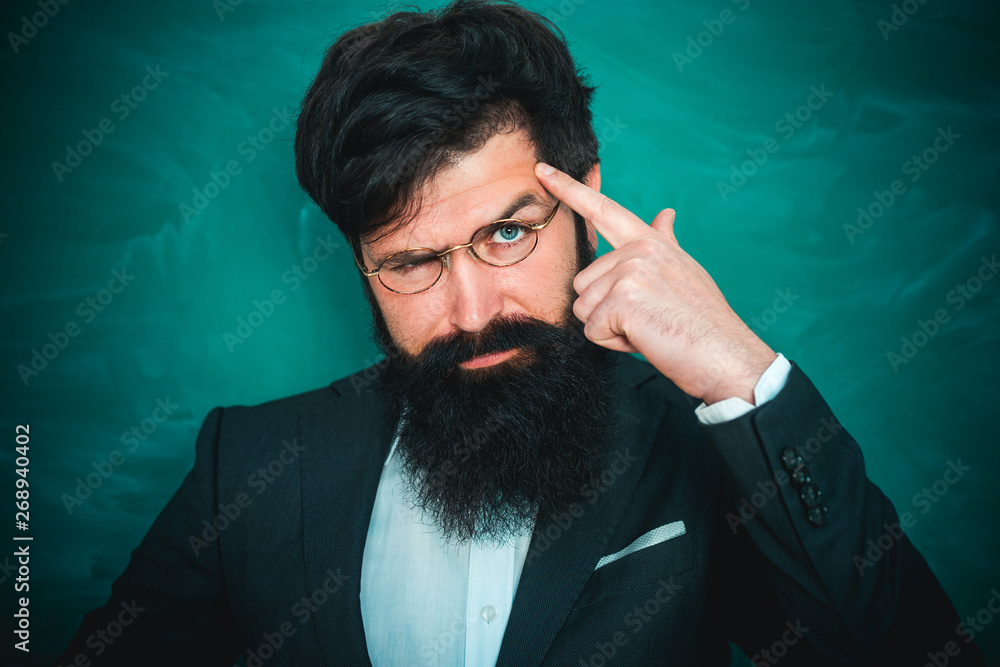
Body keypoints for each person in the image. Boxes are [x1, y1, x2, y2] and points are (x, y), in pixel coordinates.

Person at [59, 1, 984, 665]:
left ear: (583, 197)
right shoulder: (248, 464)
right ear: (359, 265)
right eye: (412, 262)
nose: (469, 312)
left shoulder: (694, 439)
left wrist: (740, 371)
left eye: (507, 233)